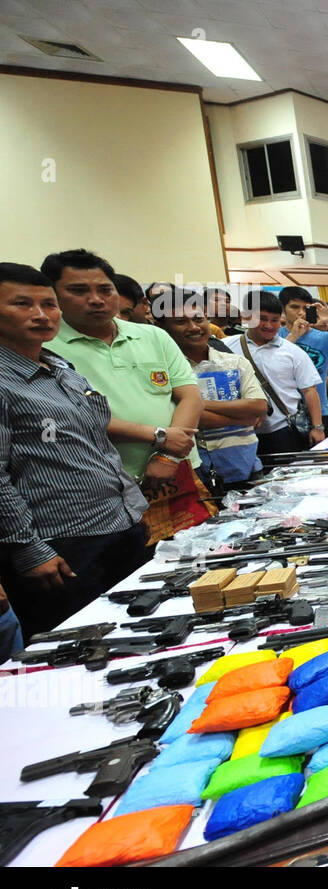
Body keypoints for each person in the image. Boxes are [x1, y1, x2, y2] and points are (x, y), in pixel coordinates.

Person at [0, 262, 150, 636]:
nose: (41, 315)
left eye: (49, 305)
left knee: (137, 633)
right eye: (22, 304)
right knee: (81, 649)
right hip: (61, 544)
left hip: (120, 524)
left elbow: (93, 443)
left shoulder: (59, 367)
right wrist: (28, 548)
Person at [43, 249, 203, 486]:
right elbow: (72, 415)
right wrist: (160, 437)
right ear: (52, 295)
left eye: (105, 290)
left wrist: (168, 455)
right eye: (78, 290)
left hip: (179, 466)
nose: (97, 299)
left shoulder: (153, 336)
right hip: (105, 478)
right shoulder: (44, 346)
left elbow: (190, 395)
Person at [157, 297, 268, 485]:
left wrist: (195, 403)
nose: (193, 327)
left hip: (247, 464)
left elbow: (258, 406)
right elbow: (186, 421)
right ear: (163, 329)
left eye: (199, 319)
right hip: (198, 472)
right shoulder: (163, 370)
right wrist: (244, 419)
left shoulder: (235, 362)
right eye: (180, 322)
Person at [225, 292, 324, 455]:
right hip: (239, 433)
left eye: (275, 320)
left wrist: (317, 427)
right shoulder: (225, 347)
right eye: (262, 319)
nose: (269, 325)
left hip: (283, 430)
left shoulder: (292, 351)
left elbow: (309, 390)